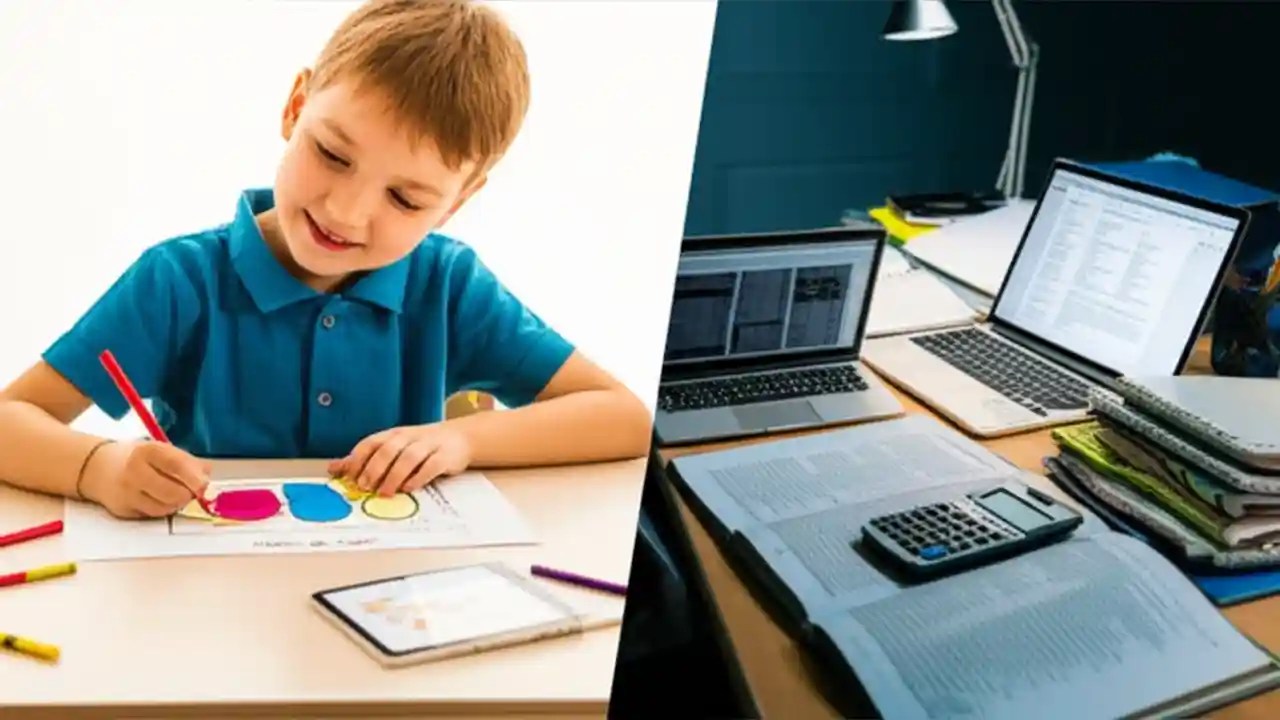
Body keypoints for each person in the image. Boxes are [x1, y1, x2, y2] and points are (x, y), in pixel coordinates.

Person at [0, 0, 651, 520]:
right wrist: (97, 468)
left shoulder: (449, 284)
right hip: (207, 603)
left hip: (394, 605)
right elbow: (9, 422)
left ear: (456, 203)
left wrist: (462, 440)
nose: (345, 211)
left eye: (405, 197)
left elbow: (622, 418)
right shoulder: (178, 281)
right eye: (334, 155)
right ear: (295, 107)